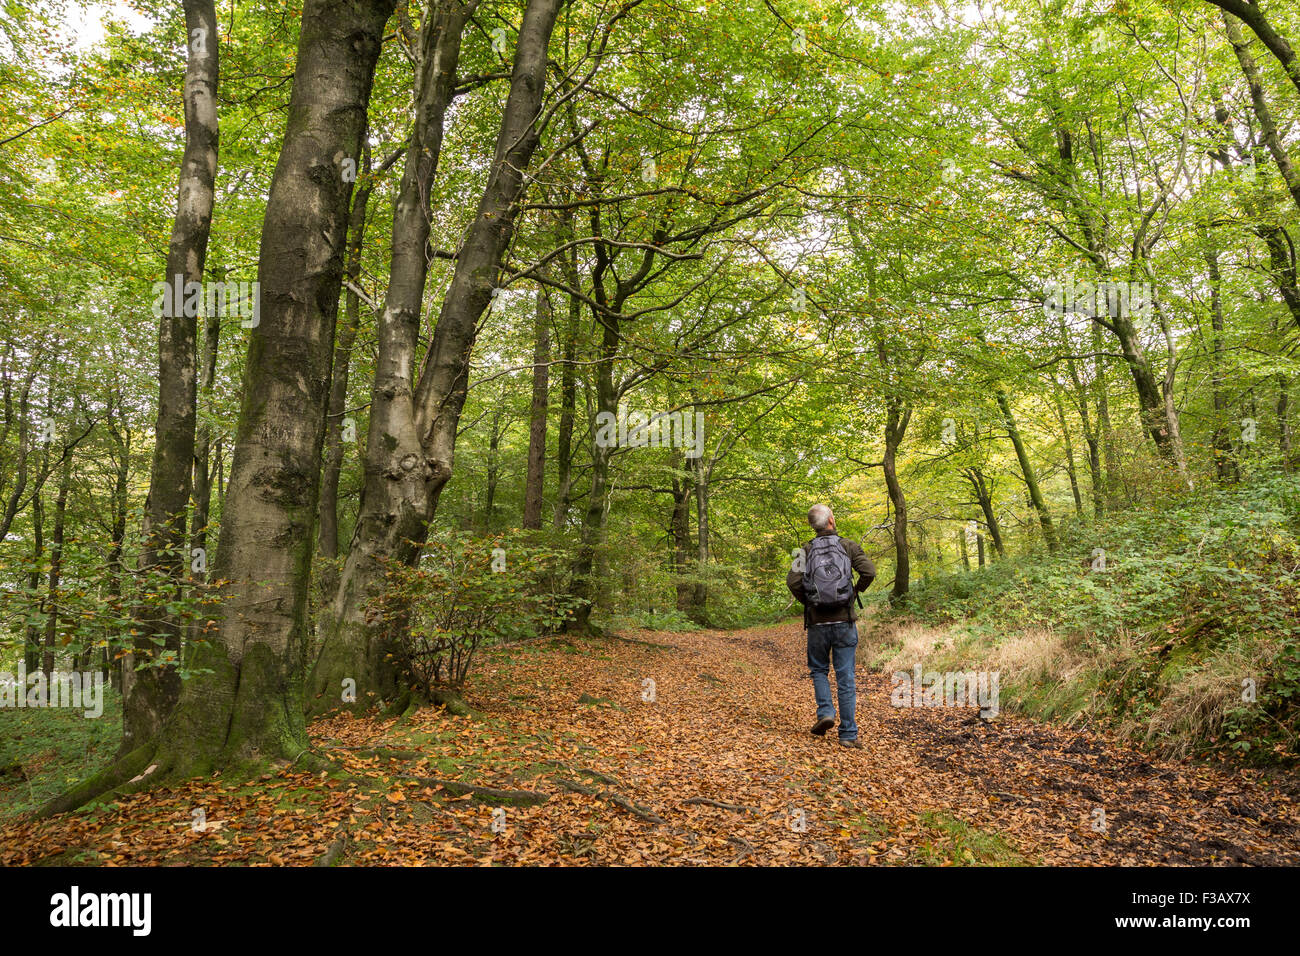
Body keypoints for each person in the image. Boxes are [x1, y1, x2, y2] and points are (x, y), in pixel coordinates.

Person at [786, 503, 875, 748]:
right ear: (832, 521)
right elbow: (869, 571)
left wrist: (811, 602)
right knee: (845, 677)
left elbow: (792, 581)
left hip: (817, 624)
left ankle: (825, 711)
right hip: (845, 620)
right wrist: (854, 592)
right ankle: (848, 735)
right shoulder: (848, 546)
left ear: (812, 526)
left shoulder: (803, 551)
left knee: (818, 670)